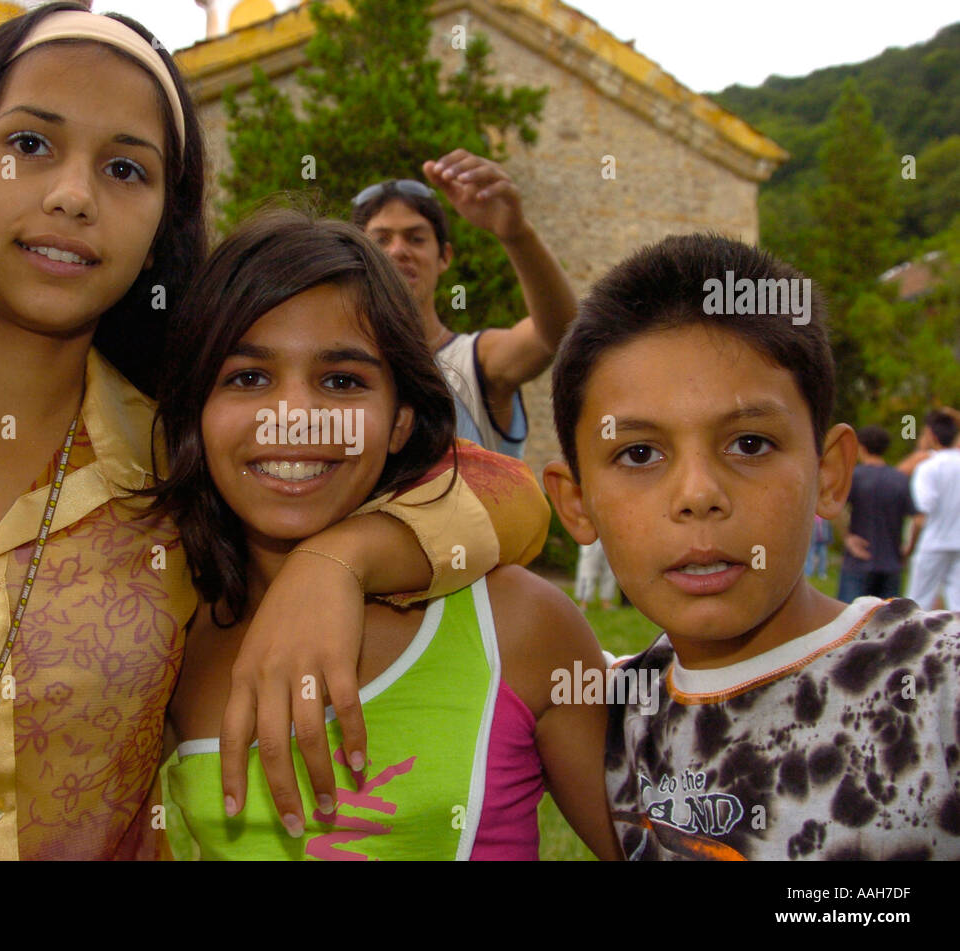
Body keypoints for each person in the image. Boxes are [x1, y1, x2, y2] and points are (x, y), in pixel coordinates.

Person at [0, 5, 550, 860]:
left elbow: (509, 496)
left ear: (166, 218)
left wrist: (340, 558)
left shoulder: (180, 455)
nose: (75, 196)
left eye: (128, 169)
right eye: (30, 145)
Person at [149, 208, 619, 860]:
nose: (296, 418)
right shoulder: (171, 644)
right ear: (197, 410)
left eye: (342, 381)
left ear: (399, 421)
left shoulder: (520, 624)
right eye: (248, 377)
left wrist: (337, 558)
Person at [543, 233, 960, 860]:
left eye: (750, 444)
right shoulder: (608, 717)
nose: (698, 494)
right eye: (639, 454)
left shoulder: (938, 686)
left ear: (830, 474)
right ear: (576, 503)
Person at [351, 152, 577, 458]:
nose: (399, 250)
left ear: (445, 257)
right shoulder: (341, 370)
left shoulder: (475, 363)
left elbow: (561, 333)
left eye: (416, 238)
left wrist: (515, 233)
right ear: (360, 260)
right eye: (381, 240)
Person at [836, 424, 917, 600]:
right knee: (886, 622)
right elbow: (918, 519)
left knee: (850, 622)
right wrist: (908, 548)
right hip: (891, 562)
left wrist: (847, 537)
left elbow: (837, 508)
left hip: (859, 560)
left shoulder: (855, 476)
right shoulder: (900, 479)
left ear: (861, 447)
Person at [905, 409, 960, 610]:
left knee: (919, 601)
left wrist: (910, 545)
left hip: (935, 541)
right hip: (958, 541)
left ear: (932, 437)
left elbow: (923, 509)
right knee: (957, 602)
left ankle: (913, 641)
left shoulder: (928, 467)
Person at [575, 541, 617, 611]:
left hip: (609, 538)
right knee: (586, 572)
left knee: (610, 572)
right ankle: (583, 604)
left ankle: (606, 602)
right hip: (591, 541)